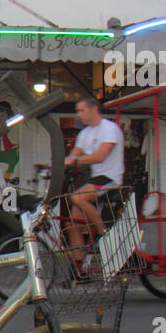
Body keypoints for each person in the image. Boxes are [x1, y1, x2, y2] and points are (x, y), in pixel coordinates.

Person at [63, 95, 125, 268]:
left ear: (93, 110)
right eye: (77, 111)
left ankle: (103, 234)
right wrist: (57, 164)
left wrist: (75, 161)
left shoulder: (109, 128)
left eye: (82, 110)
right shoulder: (85, 133)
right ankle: (79, 269)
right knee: (72, 224)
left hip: (110, 179)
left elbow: (101, 156)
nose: (78, 115)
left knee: (77, 197)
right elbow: (74, 153)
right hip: (96, 180)